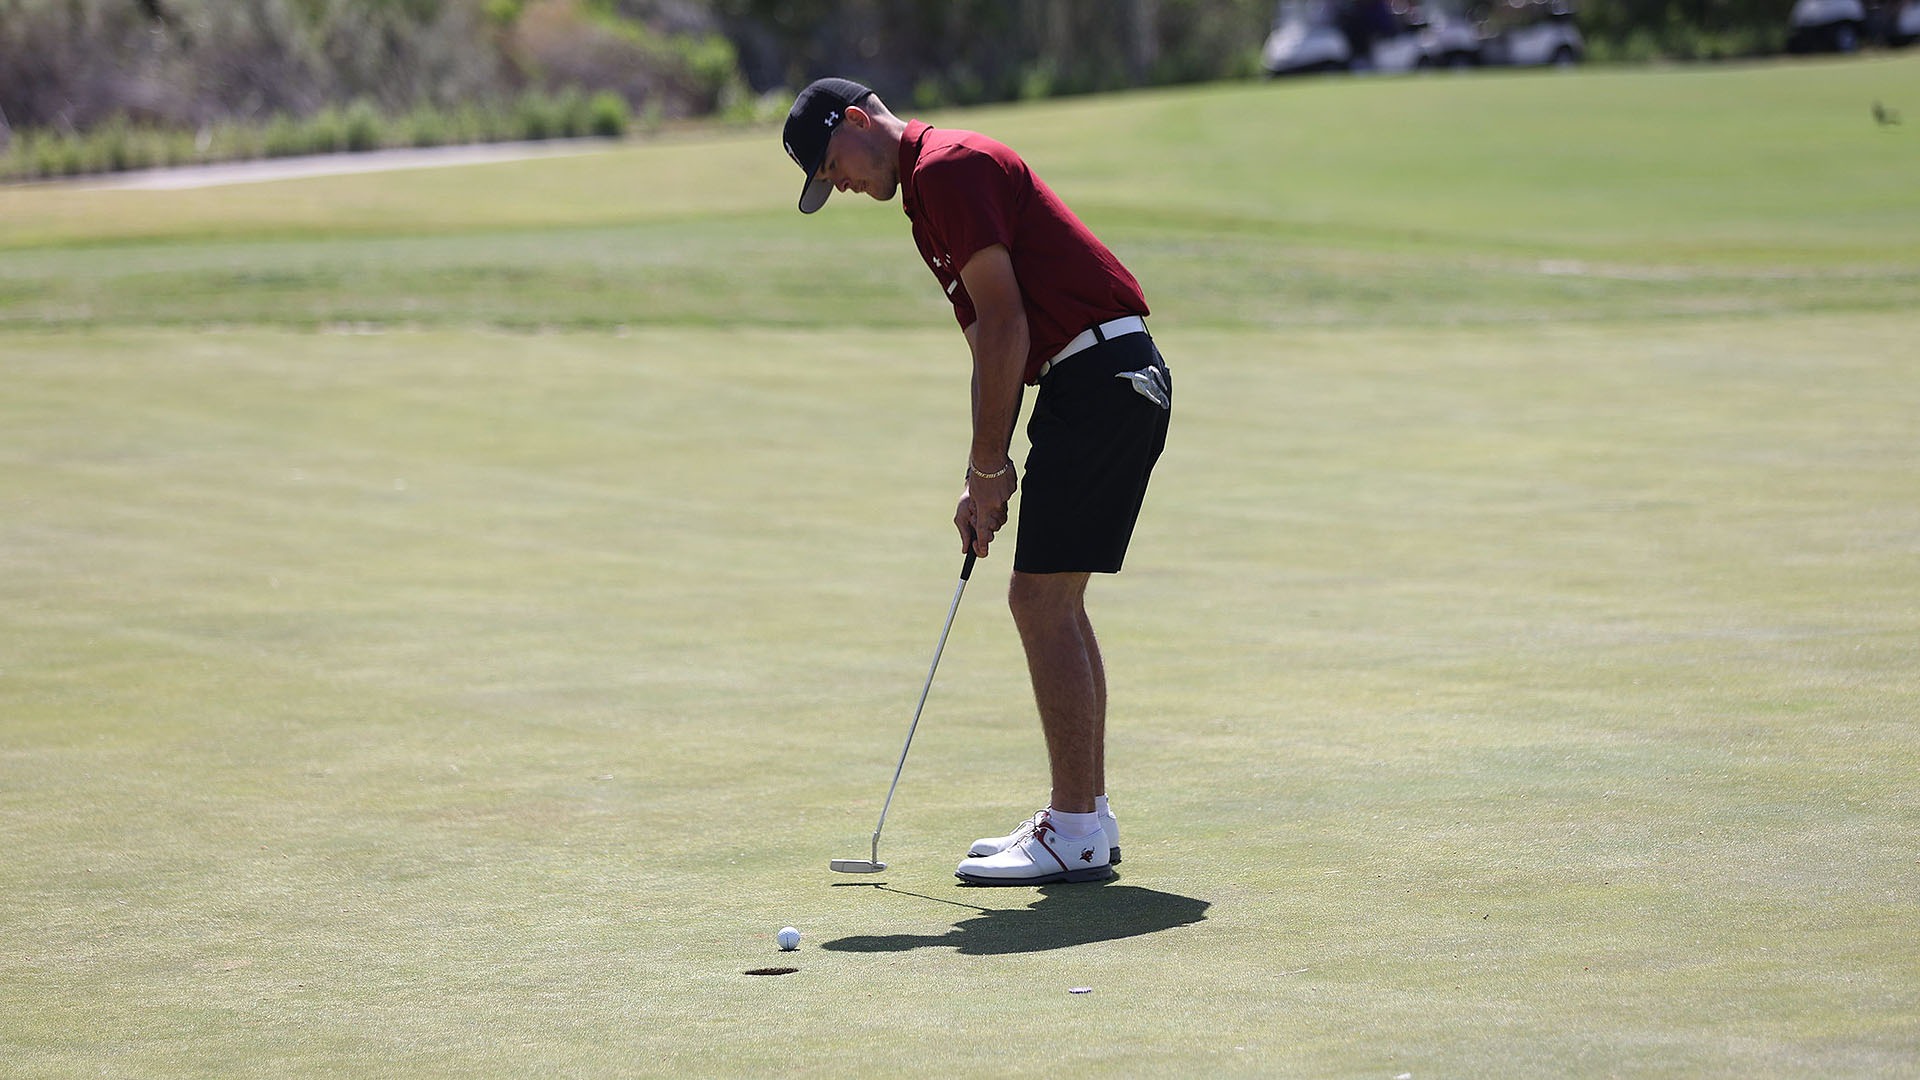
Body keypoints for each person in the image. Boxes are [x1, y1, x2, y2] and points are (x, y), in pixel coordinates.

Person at [782, 78, 1172, 886]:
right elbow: (993, 338)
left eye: (833, 164)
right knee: (1053, 599)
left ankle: (1074, 828)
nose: (842, 185)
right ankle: (1083, 822)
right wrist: (984, 473)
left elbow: (1004, 323)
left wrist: (987, 466)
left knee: (1039, 601)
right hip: (1096, 379)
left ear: (858, 120)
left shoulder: (949, 168)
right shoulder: (926, 196)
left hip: (1099, 373)